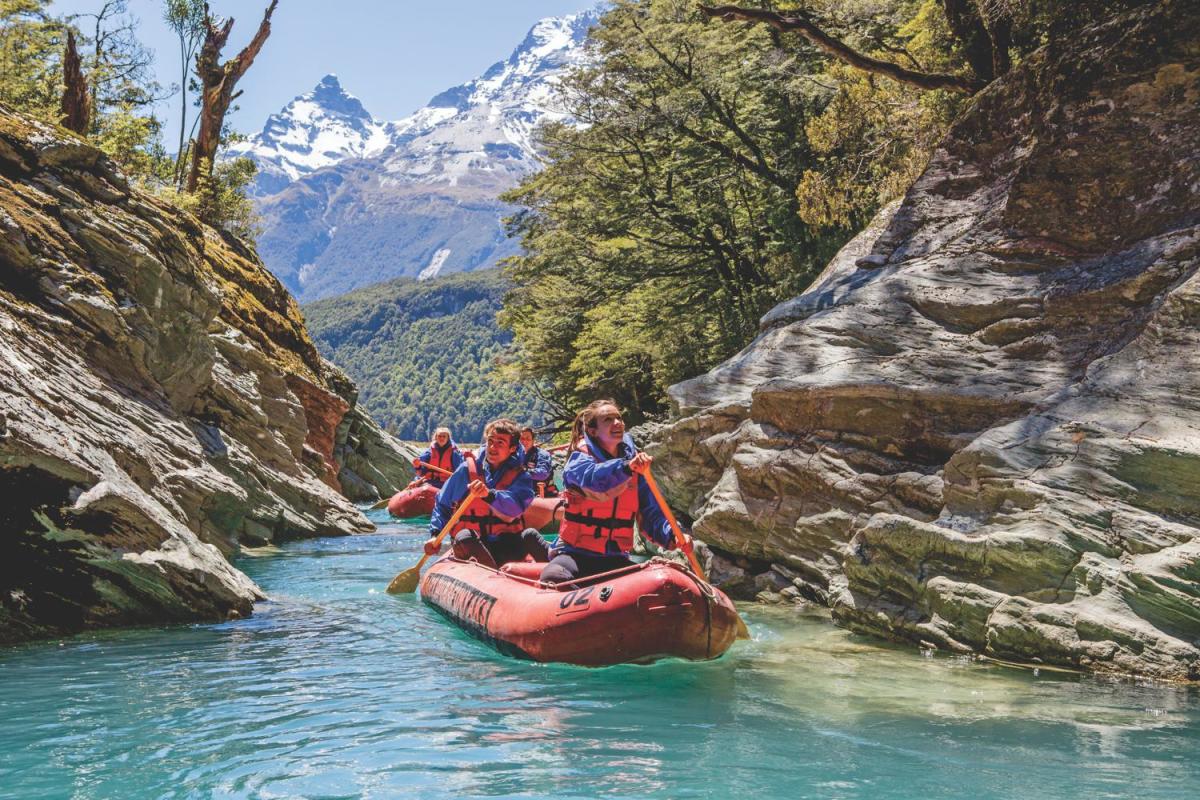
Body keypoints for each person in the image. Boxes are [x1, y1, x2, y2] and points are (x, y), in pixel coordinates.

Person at [539, 399, 692, 584]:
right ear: (592, 431)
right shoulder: (578, 461)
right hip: (575, 553)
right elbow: (596, 480)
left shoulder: (635, 469)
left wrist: (673, 534)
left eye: (618, 418)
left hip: (615, 557)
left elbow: (652, 514)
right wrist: (626, 467)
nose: (617, 423)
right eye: (608, 419)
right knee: (553, 578)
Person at [424, 418, 550, 568]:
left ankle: (560, 577)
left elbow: (515, 508)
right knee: (464, 536)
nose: (492, 447)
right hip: (473, 544)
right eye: (490, 441)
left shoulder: (520, 476)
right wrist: (435, 534)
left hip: (505, 544)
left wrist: (489, 495)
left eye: (500, 443)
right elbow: (442, 503)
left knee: (530, 535)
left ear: (513, 448)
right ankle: (492, 574)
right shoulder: (467, 470)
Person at [519, 426, 558, 497]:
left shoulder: (542, 454)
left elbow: (543, 474)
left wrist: (524, 470)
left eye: (528, 439)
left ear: (533, 440)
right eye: (522, 439)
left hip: (544, 494)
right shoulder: (518, 455)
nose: (524, 441)